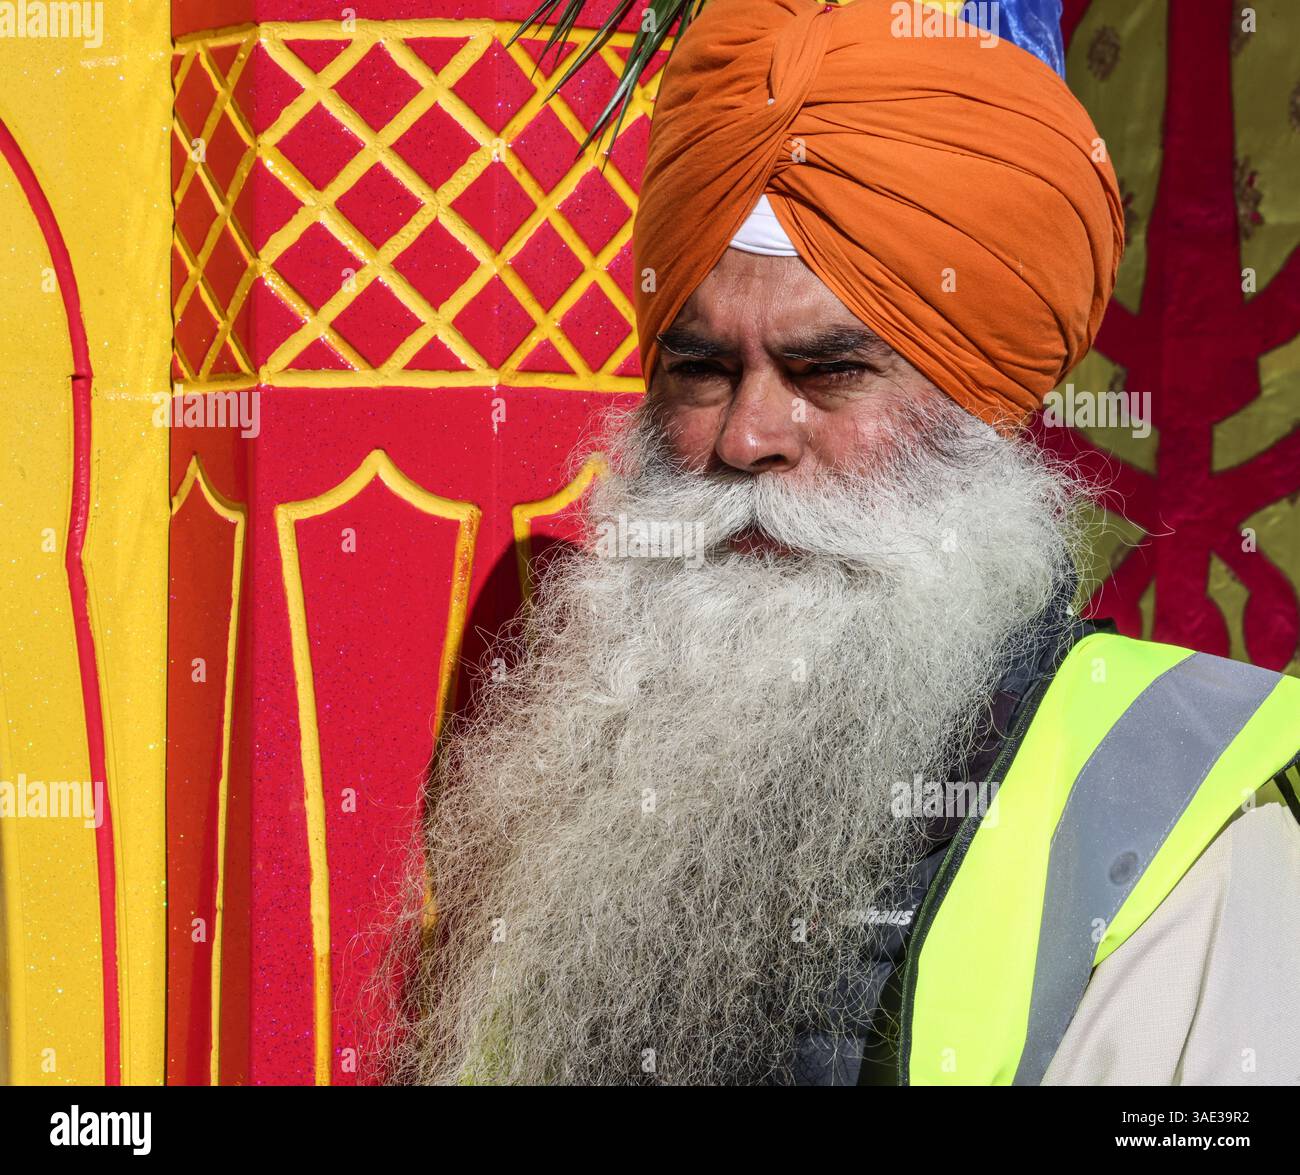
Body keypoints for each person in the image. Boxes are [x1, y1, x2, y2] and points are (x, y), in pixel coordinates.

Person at [384, 0, 1300, 1085]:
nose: (746, 436)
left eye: (828, 372)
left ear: (982, 410)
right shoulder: (579, 793)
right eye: (701, 369)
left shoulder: (1174, 827)